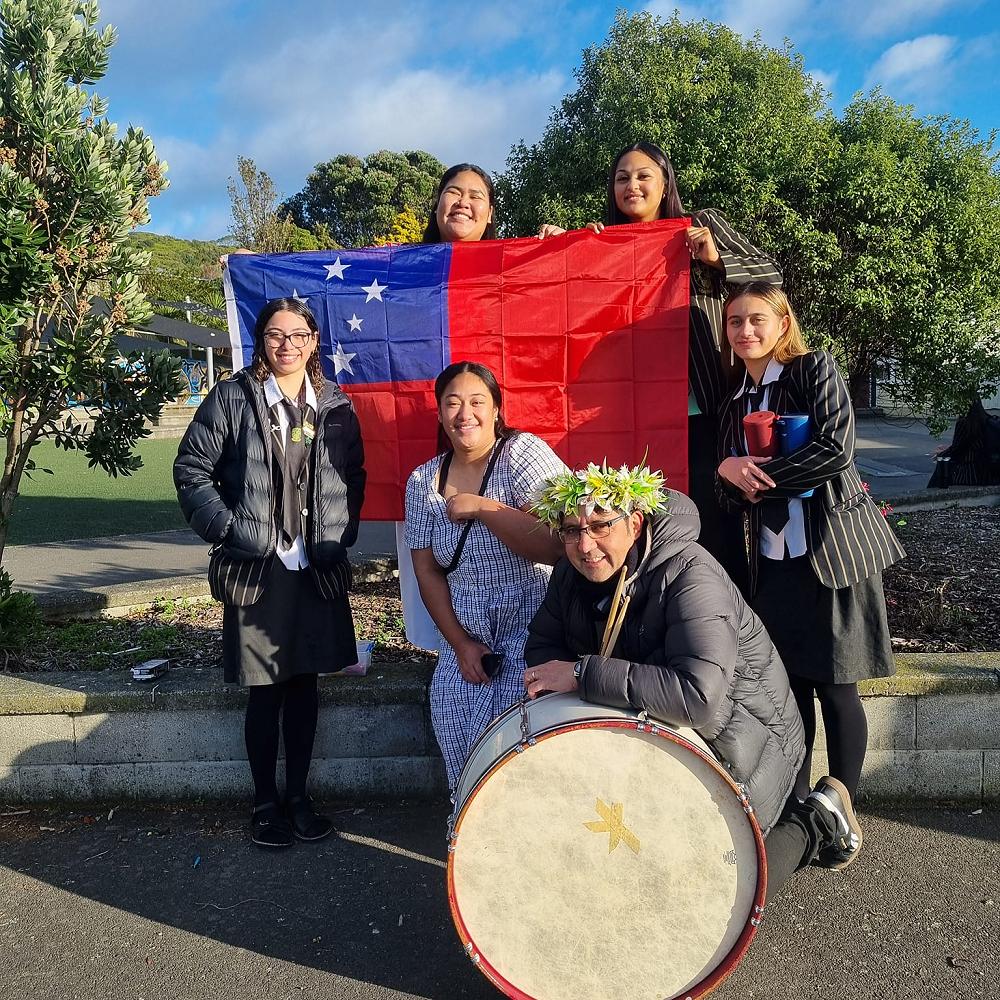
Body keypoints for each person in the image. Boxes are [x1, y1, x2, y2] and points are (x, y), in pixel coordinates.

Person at [523, 462, 865, 902]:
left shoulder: (689, 574)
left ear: (635, 522)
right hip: (656, 734)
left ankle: (817, 819)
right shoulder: (572, 572)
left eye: (601, 525)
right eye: (571, 530)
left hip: (743, 744)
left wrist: (579, 674)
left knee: (720, 898)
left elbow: (697, 697)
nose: (585, 545)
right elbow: (543, 648)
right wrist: (570, 682)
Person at [538, 141, 783, 593]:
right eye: (622, 177)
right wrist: (563, 252)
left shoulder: (700, 226)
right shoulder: (598, 242)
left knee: (712, 532)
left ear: (665, 181)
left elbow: (770, 277)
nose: (632, 185)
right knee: (629, 534)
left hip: (704, 416)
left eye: (643, 175)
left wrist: (713, 257)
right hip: (625, 421)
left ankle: (723, 634)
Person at [174, 298, 365, 848]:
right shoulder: (233, 397)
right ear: (261, 341)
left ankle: (299, 797)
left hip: (315, 568)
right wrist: (234, 531)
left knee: (304, 687)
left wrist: (339, 534)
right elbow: (191, 469)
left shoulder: (334, 405)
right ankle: (265, 802)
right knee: (265, 693)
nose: (287, 345)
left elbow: (354, 474)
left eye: (298, 334)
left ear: (313, 342)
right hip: (258, 569)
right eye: (275, 334)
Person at [715, 283, 905, 803]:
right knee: (789, 689)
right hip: (772, 563)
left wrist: (757, 474)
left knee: (837, 687)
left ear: (782, 323)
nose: (746, 331)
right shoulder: (734, 400)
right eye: (735, 322)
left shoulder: (812, 369)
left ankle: (841, 805)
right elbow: (725, 494)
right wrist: (727, 470)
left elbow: (836, 450)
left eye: (757, 319)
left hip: (830, 552)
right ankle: (796, 802)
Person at [404, 361, 567, 789]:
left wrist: (482, 507)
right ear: (439, 413)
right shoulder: (423, 480)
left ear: (496, 408)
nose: (465, 414)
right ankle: (474, 842)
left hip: (533, 626)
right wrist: (460, 643)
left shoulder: (522, 454)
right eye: (452, 403)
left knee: (525, 750)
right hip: (467, 632)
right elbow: (427, 570)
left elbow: (557, 543)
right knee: (456, 730)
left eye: (477, 402)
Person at [423, 162, 497, 243]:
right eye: (454, 192)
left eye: (475, 197)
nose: (463, 203)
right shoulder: (408, 254)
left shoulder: (509, 254)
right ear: (437, 204)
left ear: (489, 213)